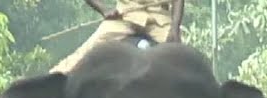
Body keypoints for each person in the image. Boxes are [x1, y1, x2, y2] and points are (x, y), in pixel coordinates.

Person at [51, 0, 186, 74]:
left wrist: (175, 27)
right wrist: (103, 9)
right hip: (124, 17)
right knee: (86, 52)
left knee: (183, 61)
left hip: (160, 19)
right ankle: (53, 77)